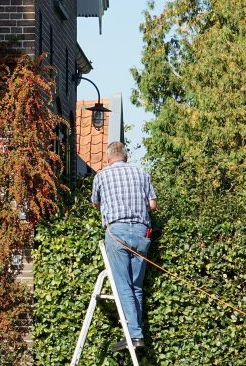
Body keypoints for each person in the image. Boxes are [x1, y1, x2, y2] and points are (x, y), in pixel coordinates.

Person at [90, 141, 157, 352]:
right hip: (141, 232)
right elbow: (152, 205)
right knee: (135, 286)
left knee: (123, 286)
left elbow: (95, 203)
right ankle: (136, 332)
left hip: (117, 232)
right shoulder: (142, 173)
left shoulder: (101, 176)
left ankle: (134, 336)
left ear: (108, 157)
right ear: (126, 156)